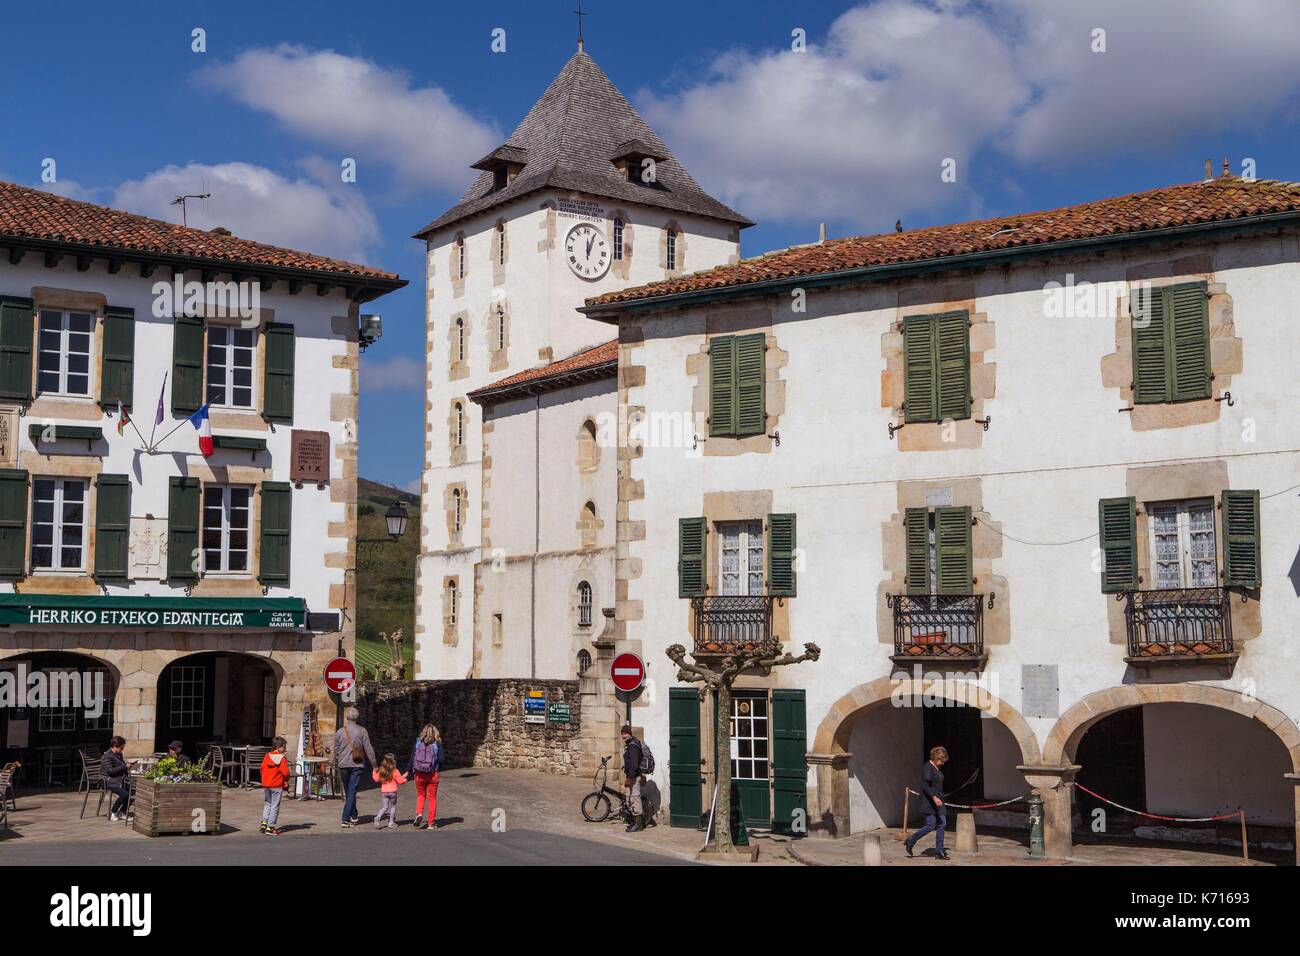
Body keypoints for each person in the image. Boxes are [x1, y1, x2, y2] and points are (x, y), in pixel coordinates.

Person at [333, 707, 377, 828]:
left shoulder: (340, 732)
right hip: (357, 764)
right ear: (357, 718)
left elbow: (336, 749)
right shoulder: (362, 731)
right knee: (351, 791)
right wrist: (374, 765)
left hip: (343, 765)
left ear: (347, 718)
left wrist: (336, 761)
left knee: (349, 791)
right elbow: (368, 748)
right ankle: (345, 818)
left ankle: (354, 814)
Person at [905, 746, 950, 860]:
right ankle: (911, 840)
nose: (943, 763)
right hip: (929, 802)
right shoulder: (927, 767)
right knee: (931, 825)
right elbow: (925, 786)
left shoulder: (936, 768)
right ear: (936, 758)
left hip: (939, 802)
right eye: (941, 760)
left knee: (942, 824)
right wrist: (934, 797)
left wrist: (939, 797)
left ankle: (939, 852)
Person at [407, 724, 443, 830]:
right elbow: (441, 759)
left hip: (419, 774)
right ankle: (431, 823)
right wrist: (438, 768)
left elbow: (412, 758)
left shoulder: (418, 742)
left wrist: (407, 771)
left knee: (420, 795)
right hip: (432, 774)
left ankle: (419, 814)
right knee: (432, 798)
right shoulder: (437, 743)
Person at [259, 736, 291, 835]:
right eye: (284, 747)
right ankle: (271, 827)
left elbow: (262, 769)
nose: (285, 749)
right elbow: (285, 773)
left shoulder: (267, 756)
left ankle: (264, 823)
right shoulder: (281, 758)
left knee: (267, 803)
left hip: (266, 784)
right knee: (275, 806)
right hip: (276, 784)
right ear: (279, 747)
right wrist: (285, 780)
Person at [620, 724, 646, 833]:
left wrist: (629, 778)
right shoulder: (630, 744)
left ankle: (638, 825)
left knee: (635, 799)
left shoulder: (633, 746)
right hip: (632, 775)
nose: (623, 736)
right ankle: (634, 822)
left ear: (629, 733)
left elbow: (635, 764)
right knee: (630, 799)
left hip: (634, 777)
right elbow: (630, 761)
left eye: (625, 733)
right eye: (622, 734)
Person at [371, 754, 407, 829]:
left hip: (384, 792)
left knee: (385, 807)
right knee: (393, 806)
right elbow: (400, 781)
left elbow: (376, 779)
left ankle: (378, 817)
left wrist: (374, 772)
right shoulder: (395, 770)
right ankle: (391, 822)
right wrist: (404, 779)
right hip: (393, 792)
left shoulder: (381, 770)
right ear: (393, 761)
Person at [101, 736, 131, 822]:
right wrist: (125, 767)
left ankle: (122, 812)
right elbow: (110, 771)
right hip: (107, 780)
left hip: (118, 779)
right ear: (115, 745)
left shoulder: (118, 754)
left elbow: (120, 767)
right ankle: (112, 812)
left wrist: (127, 767)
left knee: (132, 793)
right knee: (125, 794)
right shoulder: (107, 756)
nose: (122, 749)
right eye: (121, 747)